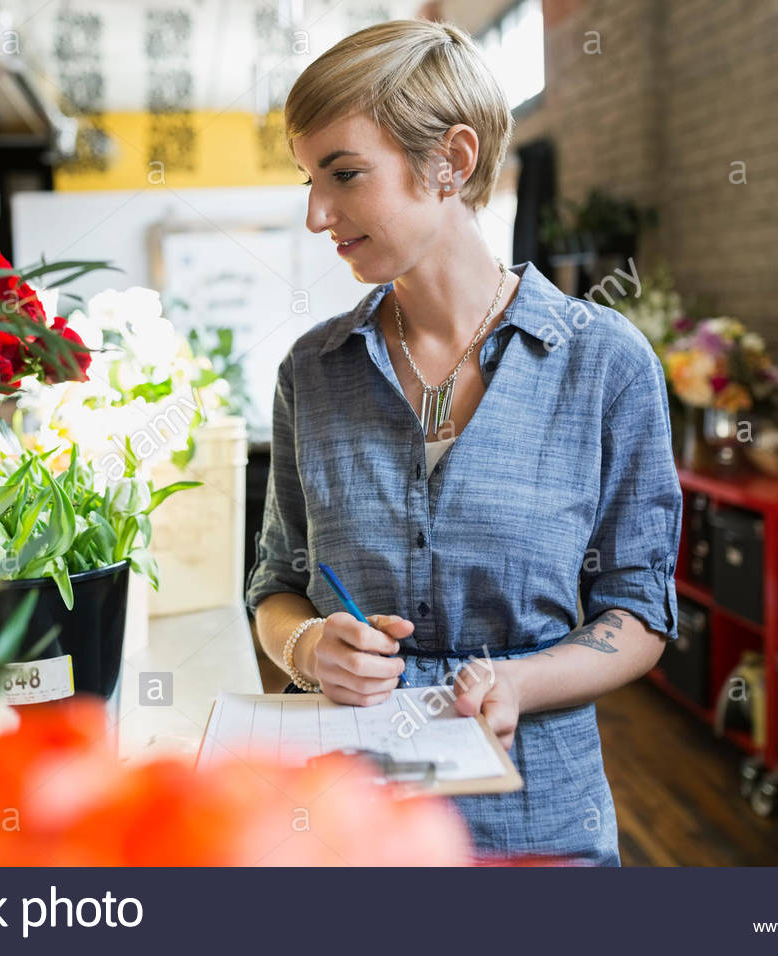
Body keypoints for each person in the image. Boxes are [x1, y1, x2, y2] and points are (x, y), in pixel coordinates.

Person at [244, 19, 682, 866]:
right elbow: (276, 583)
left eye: (342, 175)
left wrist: (518, 681)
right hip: (348, 828)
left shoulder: (605, 365)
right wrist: (308, 647)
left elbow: (640, 610)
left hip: (539, 827)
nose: (315, 214)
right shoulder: (314, 370)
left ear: (451, 159)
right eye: (308, 179)